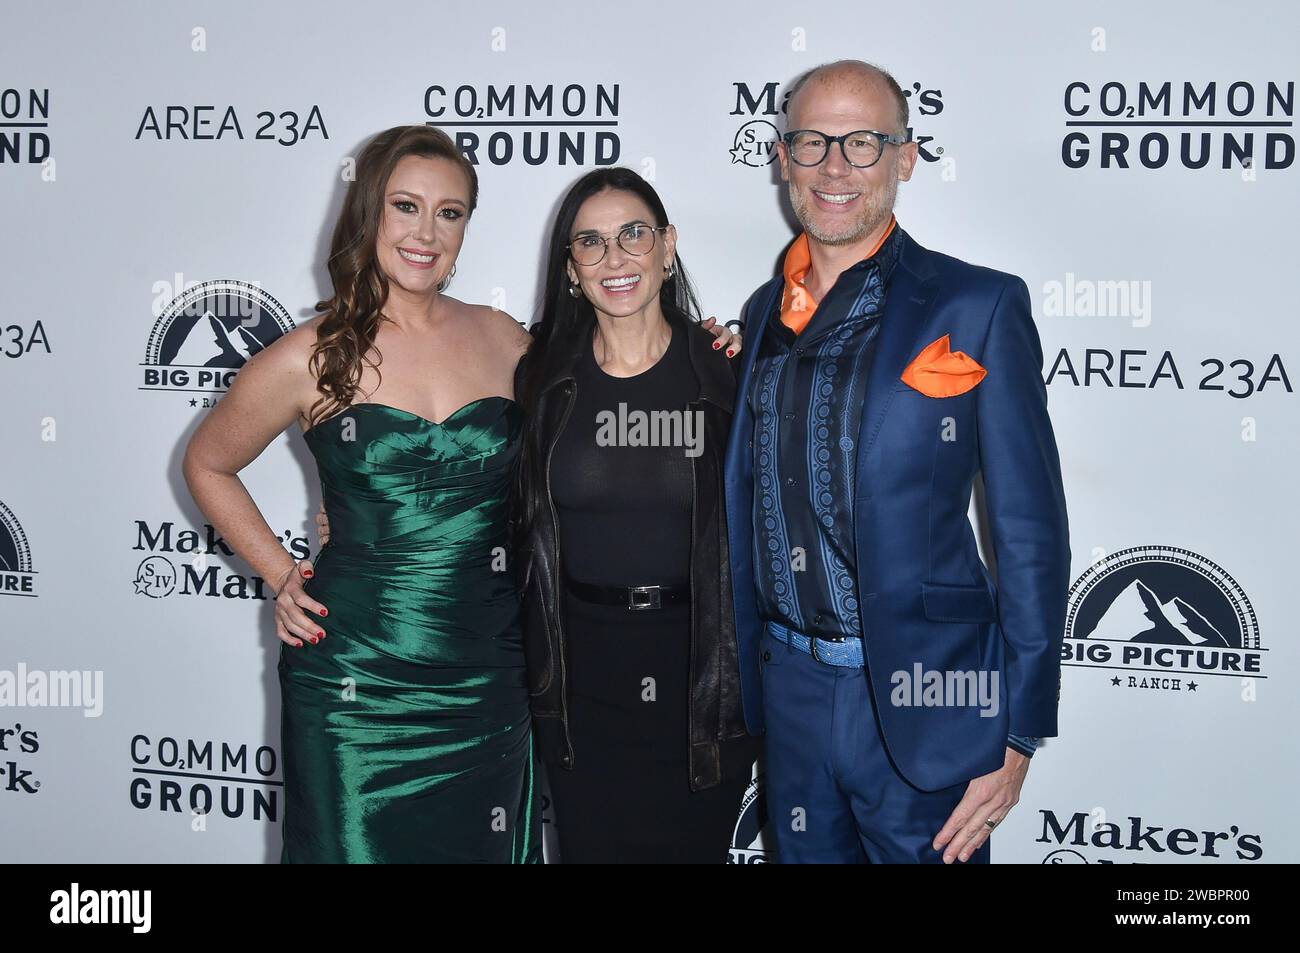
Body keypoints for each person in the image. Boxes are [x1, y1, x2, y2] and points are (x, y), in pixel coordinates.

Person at [722, 60, 1070, 863]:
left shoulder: (976, 305)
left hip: (930, 700)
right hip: (792, 699)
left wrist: (1020, 725)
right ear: (783, 157)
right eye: (812, 142)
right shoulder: (760, 312)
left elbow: (1029, 529)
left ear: (905, 157)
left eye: (864, 143)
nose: (835, 167)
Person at [183, 124, 541, 863]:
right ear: (370, 212)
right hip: (355, 685)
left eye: (451, 212)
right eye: (406, 206)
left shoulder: (506, 338)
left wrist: (703, 347)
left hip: (488, 675)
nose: (427, 231)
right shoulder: (309, 354)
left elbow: (600, 410)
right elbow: (208, 463)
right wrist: (283, 572)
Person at [513, 168, 757, 862]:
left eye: (633, 235)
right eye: (590, 242)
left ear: (667, 246)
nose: (614, 257)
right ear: (570, 268)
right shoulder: (536, 376)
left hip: (702, 684)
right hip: (578, 683)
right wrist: (345, 519)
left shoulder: (726, 371)